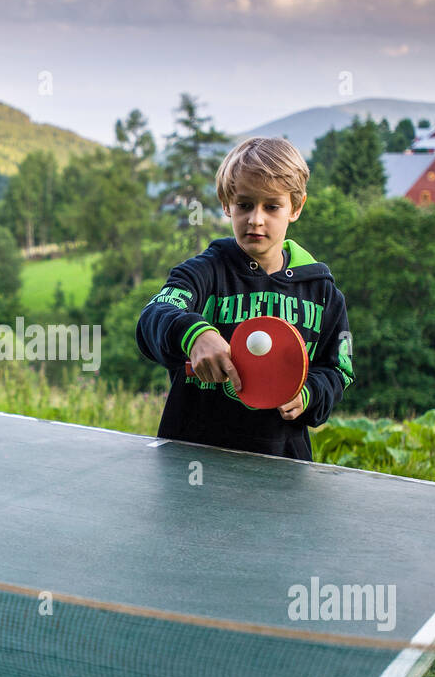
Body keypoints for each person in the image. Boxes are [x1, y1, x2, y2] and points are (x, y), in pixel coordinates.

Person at [135, 137, 354, 460]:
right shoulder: (203, 273)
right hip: (194, 464)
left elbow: (338, 370)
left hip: (281, 469)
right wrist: (195, 334)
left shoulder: (322, 292)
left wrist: (307, 395)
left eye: (272, 206)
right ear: (226, 204)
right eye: (245, 204)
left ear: (296, 207)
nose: (256, 219)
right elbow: (154, 315)